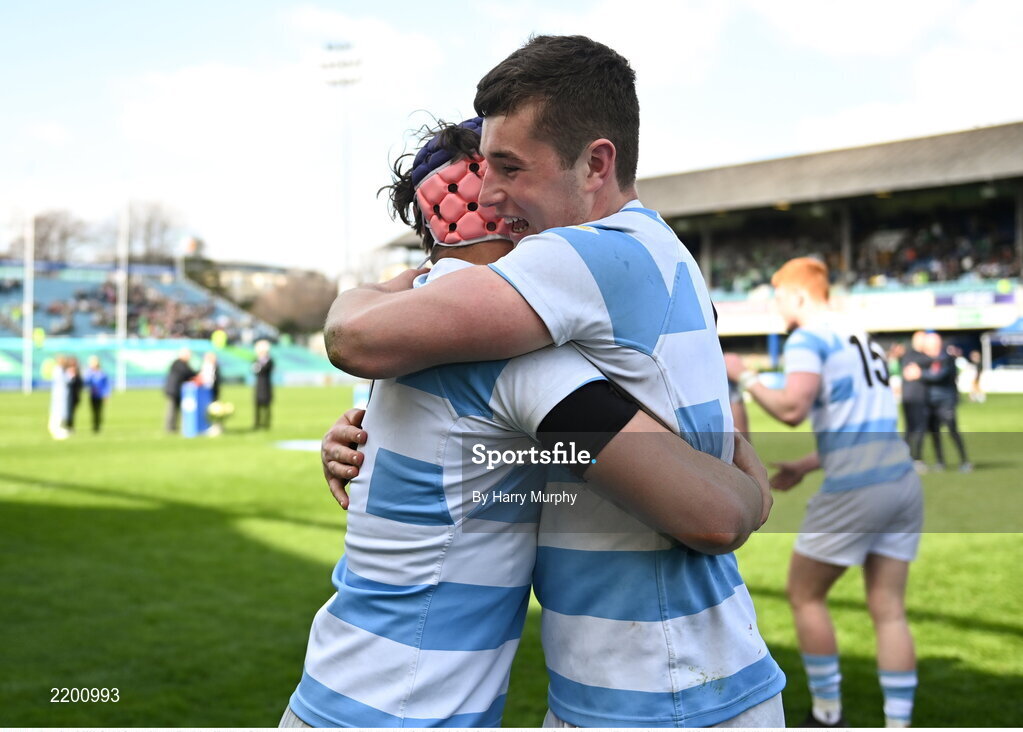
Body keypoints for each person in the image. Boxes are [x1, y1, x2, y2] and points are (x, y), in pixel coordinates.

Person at [321, 36, 785, 728]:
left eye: (508, 167)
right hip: (662, 676)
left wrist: (745, 496)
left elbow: (357, 337)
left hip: (665, 691)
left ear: (596, 162)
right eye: (481, 174)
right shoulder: (656, 251)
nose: (490, 195)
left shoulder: (577, 260)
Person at [726, 257, 922, 728]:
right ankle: (899, 721)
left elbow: (793, 408)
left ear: (797, 295)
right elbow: (864, 423)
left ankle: (826, 713)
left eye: (777, 295)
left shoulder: (809, 337)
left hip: (857, 488)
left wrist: (745, 375)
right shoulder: (857, 333)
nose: (776, 305)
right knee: (889, 609)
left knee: (805, 595)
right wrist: (810, 462)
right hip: (902, 482)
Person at [905, 332, 971, 472]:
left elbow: (938, 376)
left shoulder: (946, 358)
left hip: (946, 401)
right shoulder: (926, 359)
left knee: (953, 431)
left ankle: (964, 461)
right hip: (930, 402)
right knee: (935, 433)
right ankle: (940, 461)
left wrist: (919, 374)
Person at [899, 331, 933, 472]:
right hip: (917, 397)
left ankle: (904, 458)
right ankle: (916, 459)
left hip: (907, 397)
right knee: (918, 428)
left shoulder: (907, 356)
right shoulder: (923, 358)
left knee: (909, 429)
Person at [164, 348, 197, 433]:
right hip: (174, 390)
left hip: (176, 390)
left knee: (176, 409)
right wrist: (197, 374)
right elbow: (187, 373)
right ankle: (170, 427)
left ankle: (175, 426)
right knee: (172, 409)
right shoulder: (179, 363)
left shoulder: (181, 363)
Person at [82, 355, 112, 433]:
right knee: (93, 411)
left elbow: (106, 385)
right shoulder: (89, 372)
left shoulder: (102, 372)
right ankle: (94, 426)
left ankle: (98, 426)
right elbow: (86, 382)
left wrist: (106, 394)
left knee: (99, 411)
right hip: (93, 394)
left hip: (100, 395)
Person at [253, 340, 273, 430]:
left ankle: (266, 423)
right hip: (259, 385)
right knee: (257, 405)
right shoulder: (256, 361)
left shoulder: (269, 361)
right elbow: (255, 371)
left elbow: (263, 370)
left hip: (266, 385)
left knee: (267, 406)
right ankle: (257, 423)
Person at [48, 355, 69, 439]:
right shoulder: (58, 370)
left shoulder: (62, 370)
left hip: (62, 395)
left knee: (61, 412)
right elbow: (64, 381)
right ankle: (55, 429)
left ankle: (59, 428)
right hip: (59, 395)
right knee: (57, 412)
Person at [63, 356, 84, 434]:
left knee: (72, 412)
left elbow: (81, 384)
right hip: (68, 396)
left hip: (75, 395)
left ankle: (70, 426)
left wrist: (76, 377)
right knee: (68, 412)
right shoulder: (66, 372)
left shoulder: (77, 373)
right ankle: (68, 426)